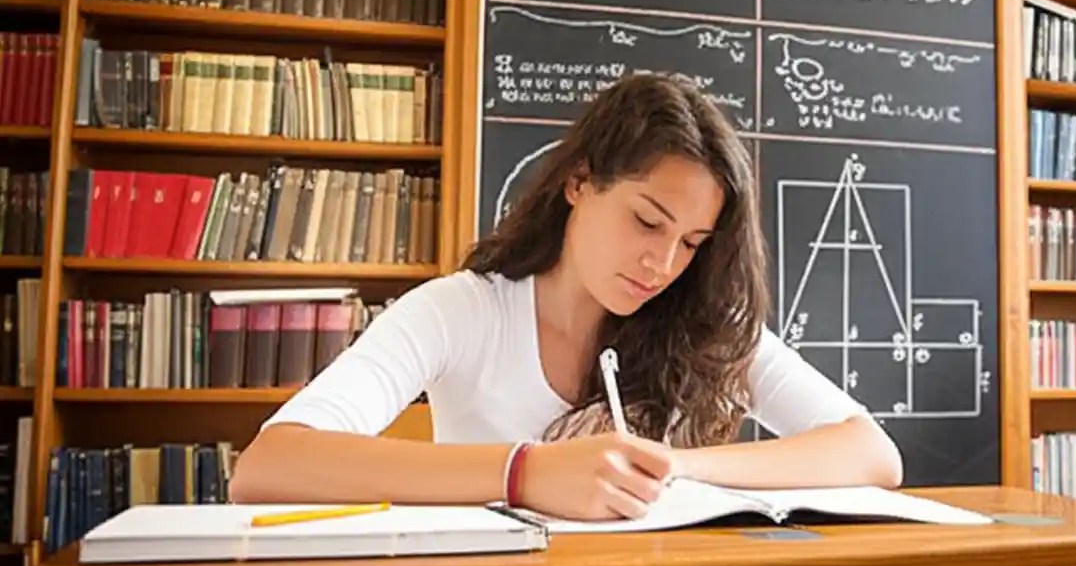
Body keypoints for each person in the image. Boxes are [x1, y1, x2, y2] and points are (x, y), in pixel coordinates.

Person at [229, 72, 903, 522]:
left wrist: (672, 467)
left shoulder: (702, 319)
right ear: (579, 182)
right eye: (646, 221)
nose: (662, 264)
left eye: (692, 241)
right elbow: (269, 466)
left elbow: (873, 455)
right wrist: (524, 474)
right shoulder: (463, 310)